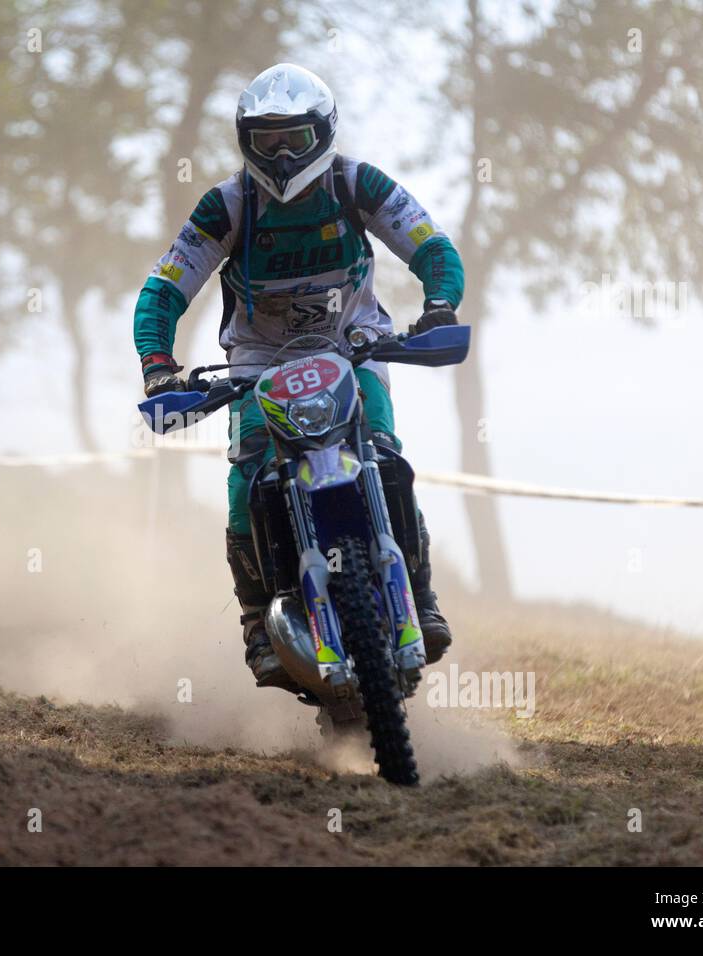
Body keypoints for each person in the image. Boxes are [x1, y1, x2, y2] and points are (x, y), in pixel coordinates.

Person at [133, 63, 465, 689]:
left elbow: (432, 246)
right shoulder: (226, 206)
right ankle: (258, 621)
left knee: (387, 459)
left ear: (324, 133)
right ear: (244, 141)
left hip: (353, 349)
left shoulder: (357, 184)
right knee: (246, 480)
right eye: (267, 140)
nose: (282, 153)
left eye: (294, 138)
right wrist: (157, 364)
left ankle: (420, 595)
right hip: (259, 365)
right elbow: (163, 289)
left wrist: (439, 303)